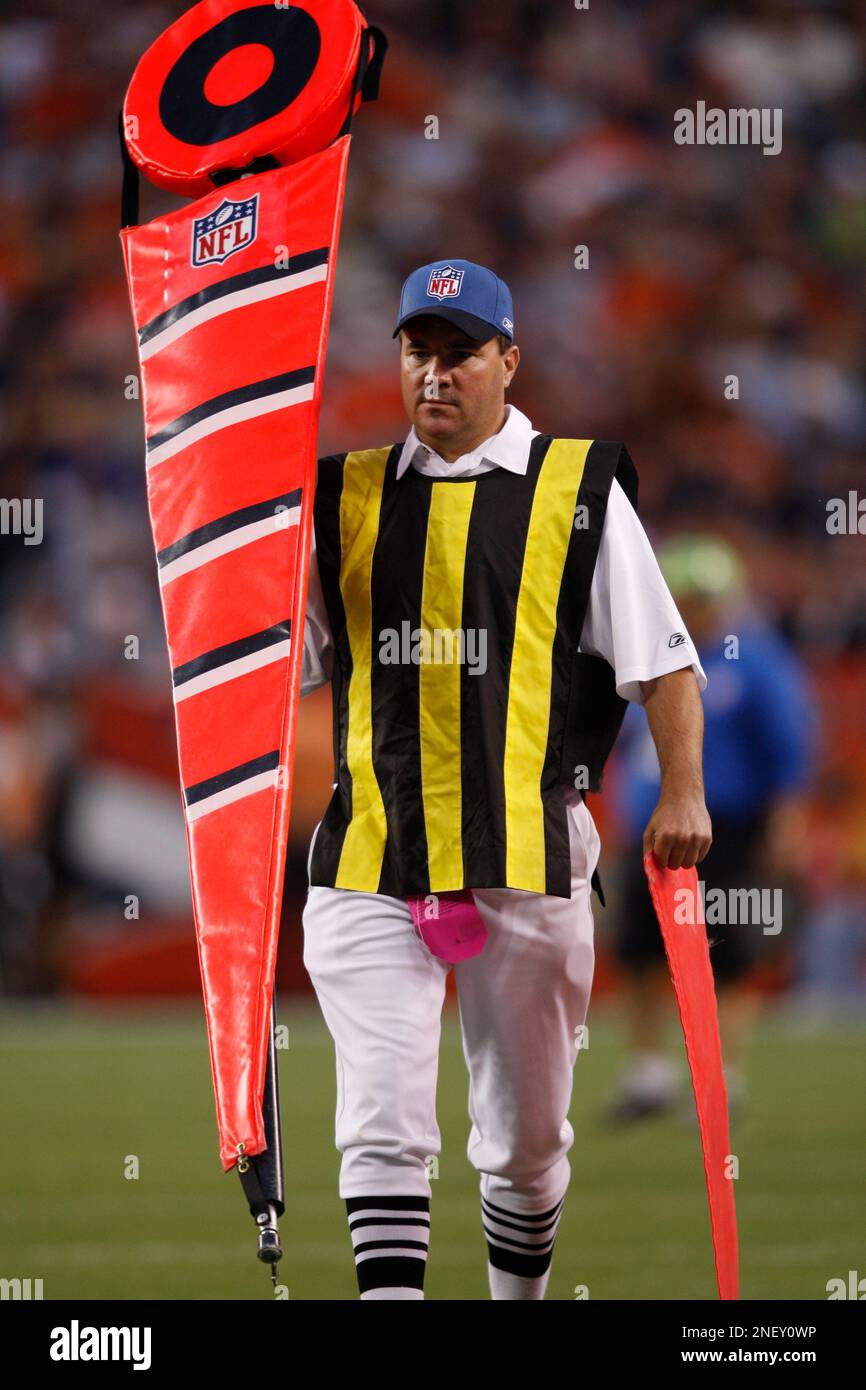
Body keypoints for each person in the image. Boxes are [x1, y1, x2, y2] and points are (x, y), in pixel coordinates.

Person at [298, 259, 712, 1300]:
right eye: (416, 352)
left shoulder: (574, 492)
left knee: (525, 1143)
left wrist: (683, 792)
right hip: (371, 852)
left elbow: (658, 660)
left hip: (528, 850)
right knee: (381, 1116)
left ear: (506, 360)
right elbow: (268, 668)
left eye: (459, 354)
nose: (434, 375)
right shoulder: (336, 499)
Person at [606, 535, 815, 1123]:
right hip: (651, 826)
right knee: (639, 946)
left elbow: (787, 744)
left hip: (730, 825)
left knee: (732, 945)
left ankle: (721, 1073)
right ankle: (650, 1073)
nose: (692, 607)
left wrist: (787, 818)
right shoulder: (644, 657)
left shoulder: (756, 659)